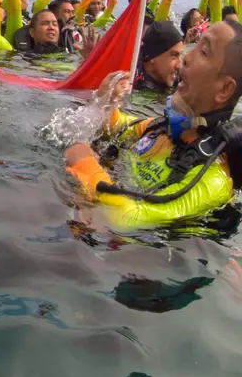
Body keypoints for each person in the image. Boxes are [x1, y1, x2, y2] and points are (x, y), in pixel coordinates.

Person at [65, 21, 242, 231]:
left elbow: (128, 217)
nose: (186, 58)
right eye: (194, 46)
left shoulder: (212, 180)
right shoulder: (158, 129)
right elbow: (109, 125)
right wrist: (104, 101)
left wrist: (84, 165)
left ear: (224, 89)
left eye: (203, 51)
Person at [133, 20, 184, 94]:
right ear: (153, 56)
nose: (179, 66)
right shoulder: (133, 84)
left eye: (180, 55)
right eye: (174, 56)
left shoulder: (181, 80)